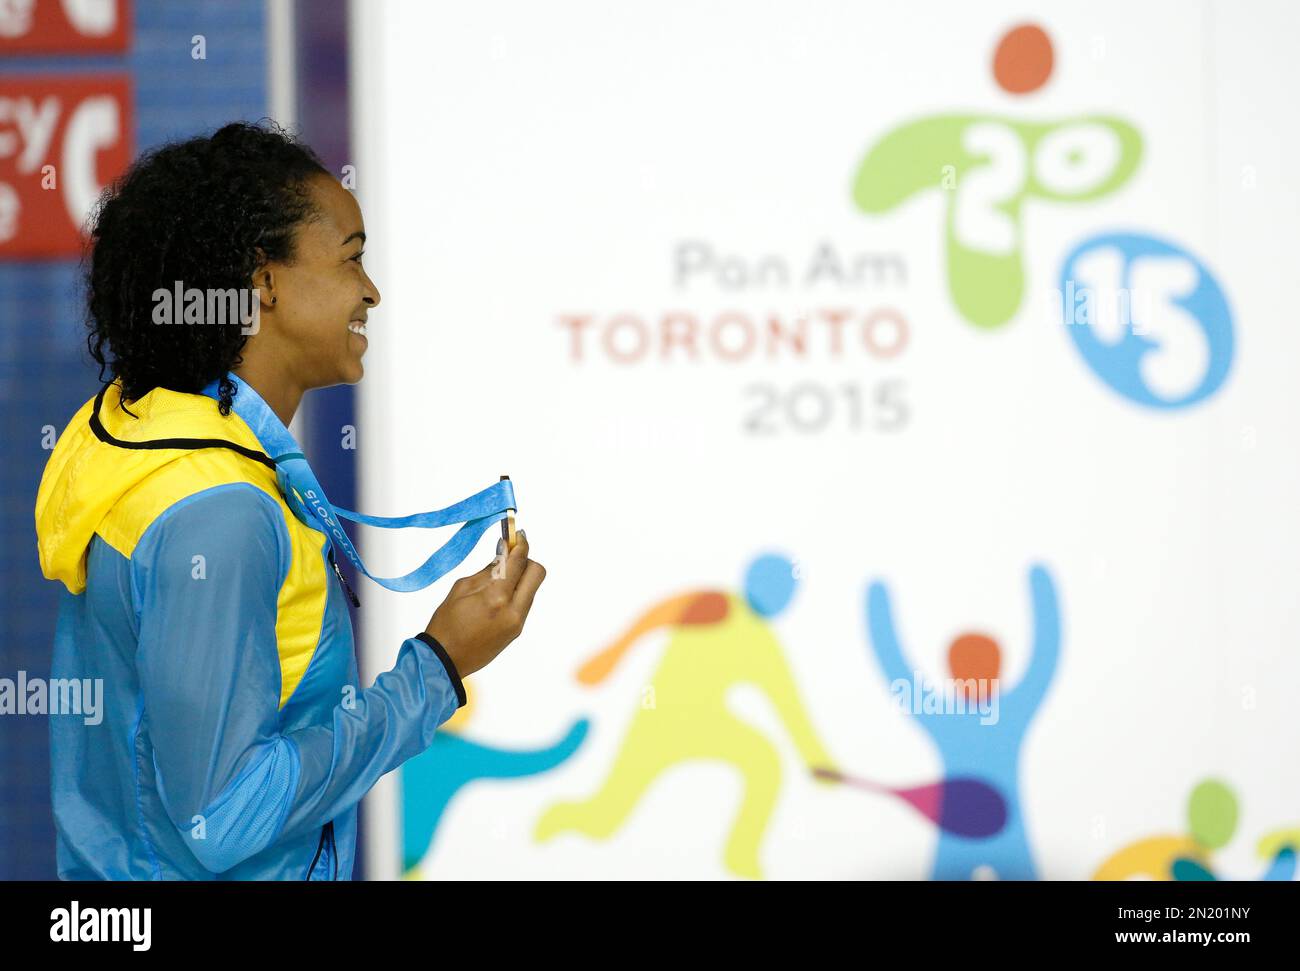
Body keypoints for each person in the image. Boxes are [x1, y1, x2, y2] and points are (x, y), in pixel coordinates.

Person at [33, 120, 546, 880]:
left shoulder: (141, 435)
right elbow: (223, 813)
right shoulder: (219, 511)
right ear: (262, 284)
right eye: (351, 258)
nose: (370, 290)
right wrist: (437, 668)